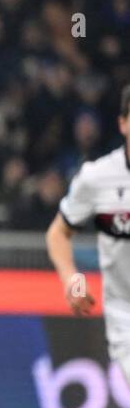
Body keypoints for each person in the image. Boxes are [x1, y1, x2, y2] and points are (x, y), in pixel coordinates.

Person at [46, 83, 130, 386]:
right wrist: (71, 278)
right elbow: (59, 233)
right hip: (125, 313)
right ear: (122, 123)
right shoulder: (97, 177)